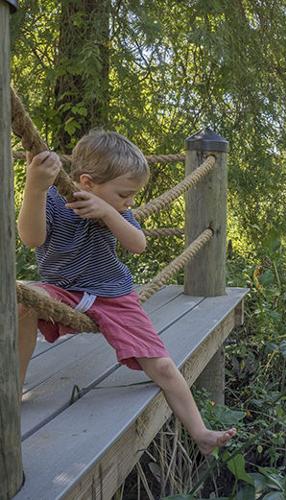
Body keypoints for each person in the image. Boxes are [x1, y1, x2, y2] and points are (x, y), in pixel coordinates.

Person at [16, 130, 235, 455]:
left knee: (162, 366)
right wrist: (34, 187)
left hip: (114, 297)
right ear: (88, 183)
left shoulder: (116, 210)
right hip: (61, 291)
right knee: (24, 303)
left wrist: (110, 212)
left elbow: (138, 244)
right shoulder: (51, 199)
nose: (130, 201)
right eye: (125, 194)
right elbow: (32, 238)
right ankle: (12, 388)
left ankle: (200, 431)